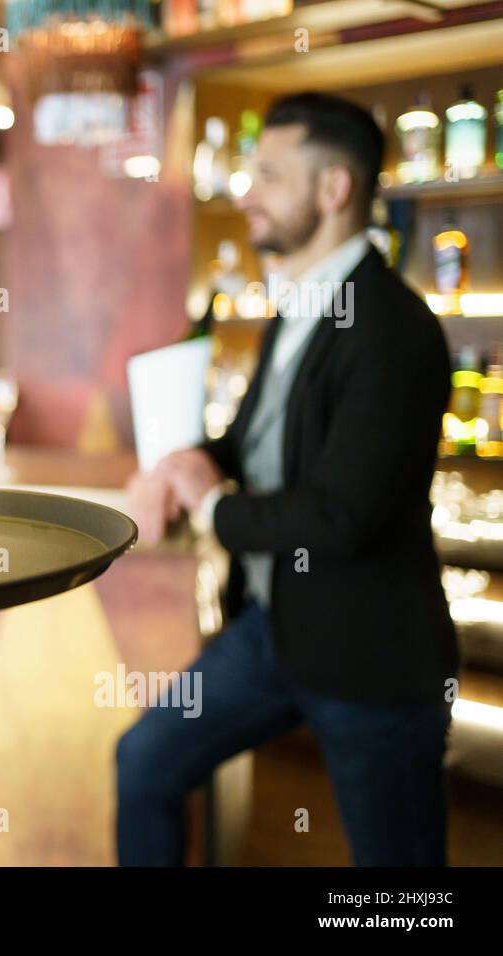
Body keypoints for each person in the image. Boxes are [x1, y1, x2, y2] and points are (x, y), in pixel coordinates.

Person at [119, 92, 458, 866]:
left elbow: (343, 517)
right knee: (143, 766)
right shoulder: (299, 306)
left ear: (334, 190)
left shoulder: (392, 328)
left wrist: (212, 505)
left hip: (374, 658)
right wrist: (184, 467)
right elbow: (250, 442)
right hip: (276, 631)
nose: (246, 193)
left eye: (269, 176)